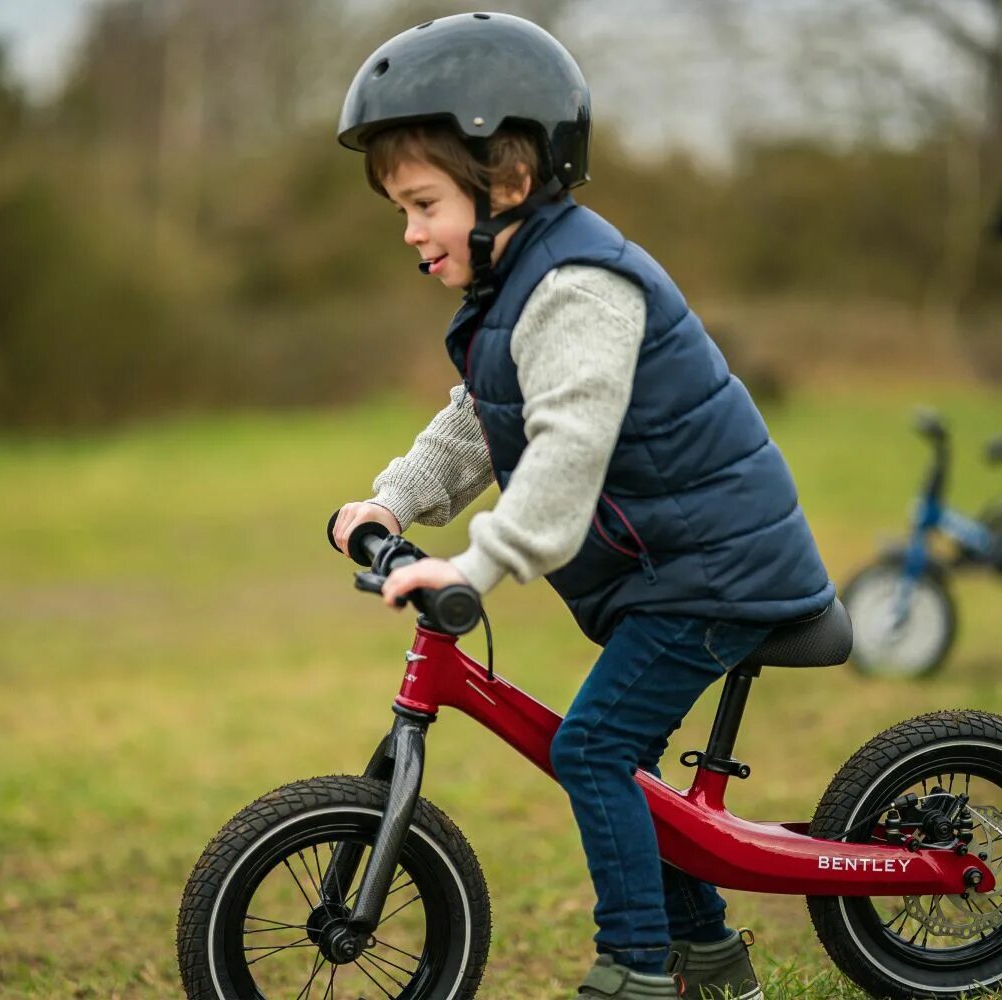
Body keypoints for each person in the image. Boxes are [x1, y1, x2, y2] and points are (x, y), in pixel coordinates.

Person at [330, 13, 833, 1000]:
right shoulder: (518, 289)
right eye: (400, 208)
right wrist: (387, 502)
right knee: (631, 770)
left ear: (508, 183)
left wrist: (473, 565)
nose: (410, 232)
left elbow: (565, 451)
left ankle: (637, 972)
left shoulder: (576, 289)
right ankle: (716, 967)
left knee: (593, 747)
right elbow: (480, 422)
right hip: (673, 570)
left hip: (715, 569)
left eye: (423, 202)